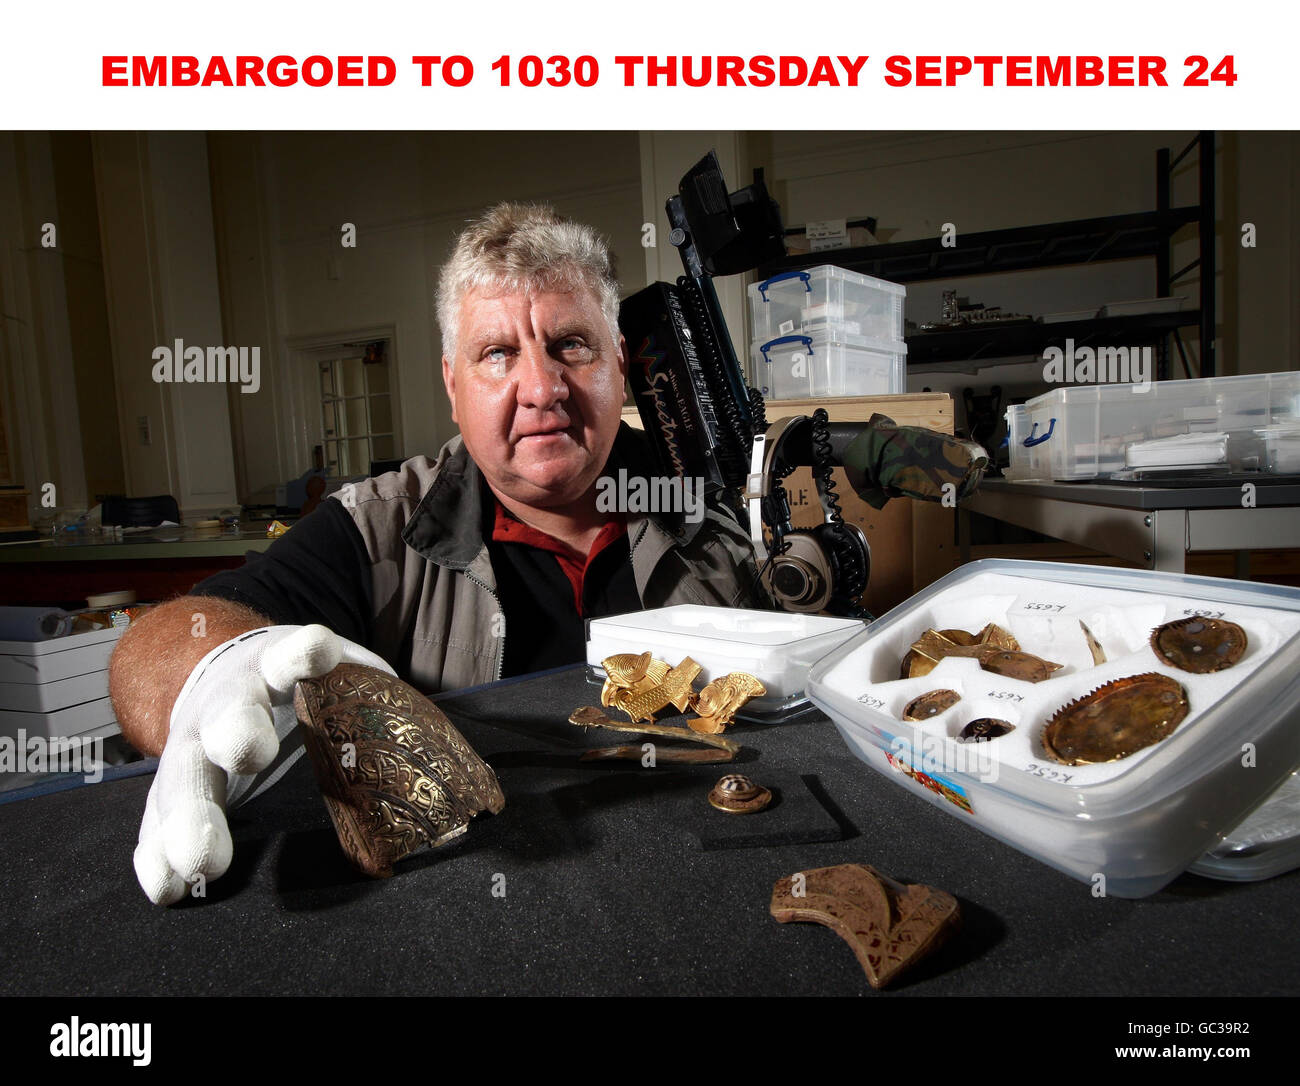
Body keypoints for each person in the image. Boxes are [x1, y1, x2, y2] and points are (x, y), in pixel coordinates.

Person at [109, 203, 768, 905]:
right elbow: (155, 641)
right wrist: (214, 667)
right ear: (454, 387)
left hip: (709, 875)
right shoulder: (379, 526)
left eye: (572, 345)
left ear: (619, 362)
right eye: (498, 354)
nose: (542, 388)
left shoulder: (723, 503)